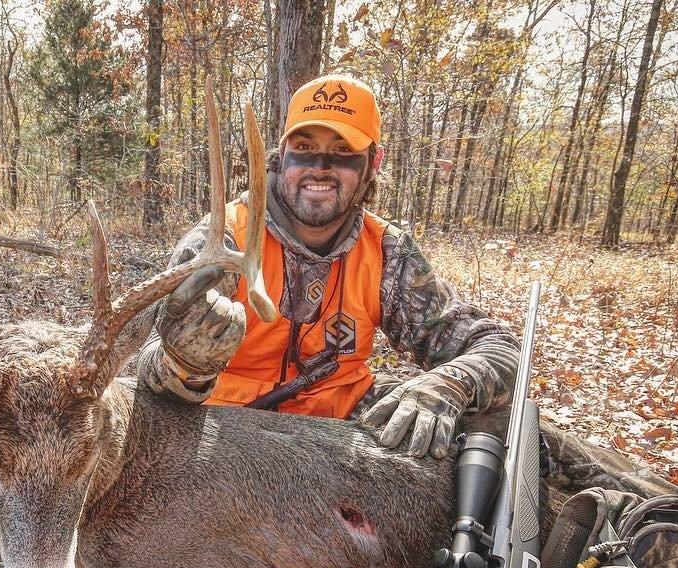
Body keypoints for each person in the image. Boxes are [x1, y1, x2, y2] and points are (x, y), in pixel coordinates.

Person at [136, 74, 520, 459]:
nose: (320, 166)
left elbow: (495, 345)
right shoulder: (225, 238)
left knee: (513, 430)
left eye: (342, 150)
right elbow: (147, 365)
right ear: (282, 152)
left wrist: (447, 386)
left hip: (343, 418)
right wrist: (185, 363)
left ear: (374, 162)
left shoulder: (385, 250)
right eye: (305, 147)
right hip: (226, 424)